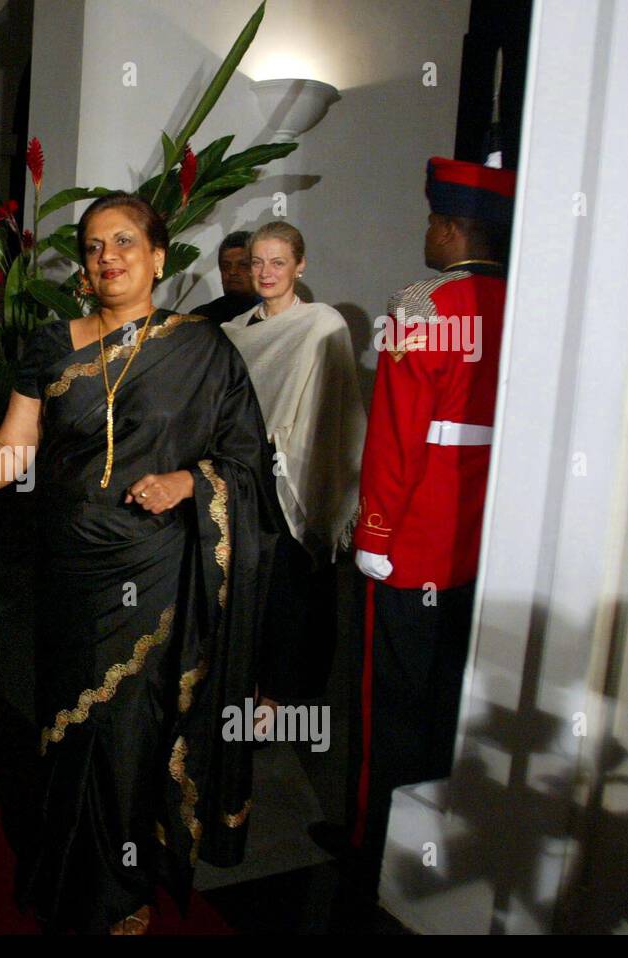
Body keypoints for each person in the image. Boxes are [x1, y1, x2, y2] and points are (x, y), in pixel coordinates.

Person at [0, 192, 282, 934]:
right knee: (66, 730)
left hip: (153, 571)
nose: (107, 256)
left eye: (124, 242)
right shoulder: (54, 344)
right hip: (67, 568)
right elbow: (14, 449)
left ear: (157, 257)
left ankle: (117, 897)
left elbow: (250, 461)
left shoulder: (202, 349)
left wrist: (190, 481)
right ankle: (64, 876)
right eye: (92, 246)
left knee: (128, 732)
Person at [344, 157, 515, 892]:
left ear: (450, 225)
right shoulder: (520, 302)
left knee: (391, 706)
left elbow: (395, 437)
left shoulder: (421, 303)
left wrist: (374, 533)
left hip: (413, 540)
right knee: (452, 695)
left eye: (431, 220)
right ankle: (436, 840)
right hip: (484, 537)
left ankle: (373, 842)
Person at [221, 221, 366, 703]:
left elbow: (336, 410)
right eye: (255, 262)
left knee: (293, 593)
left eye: (277, 262)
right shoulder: (233, 333)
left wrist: (299, 461)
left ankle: (283, 700)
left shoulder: (323, 324)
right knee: (245, 591)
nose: (264, 272)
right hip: (243, 477)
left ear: (300, 266)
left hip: (297, 474)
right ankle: (248, 689)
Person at [190, 230, 258, 323]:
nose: (232, 271)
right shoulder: (202, 316)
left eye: (243, 265)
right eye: (226, 266)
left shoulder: (272, 314)